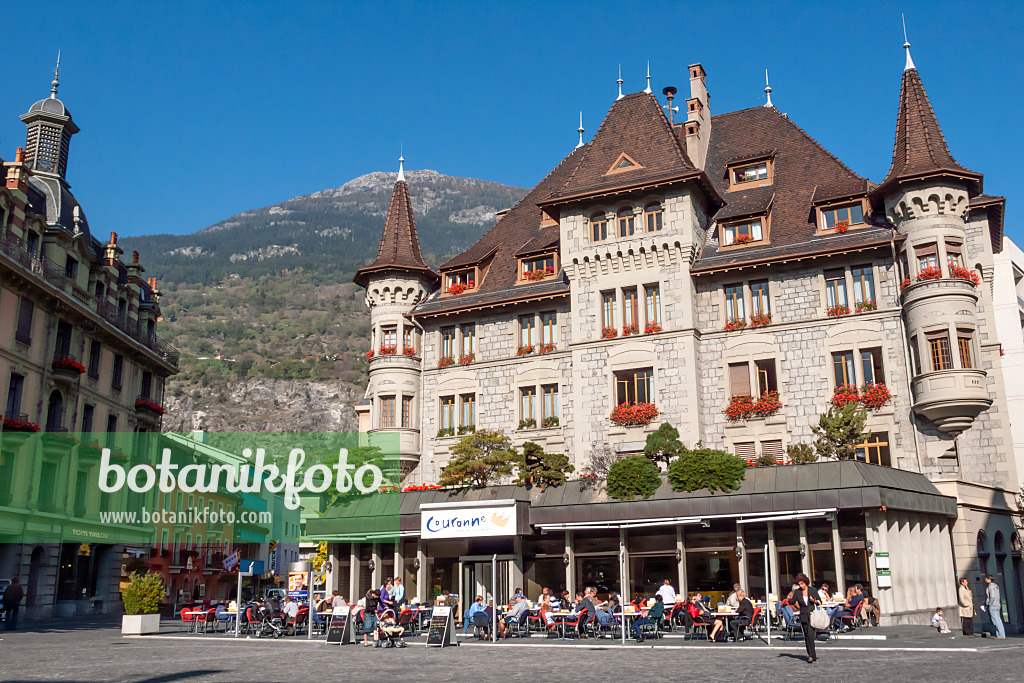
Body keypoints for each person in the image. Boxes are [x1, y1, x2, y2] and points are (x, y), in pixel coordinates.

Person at [792, 573, 819, 663]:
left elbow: (819, 602)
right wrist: (789, 598)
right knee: (807, 636)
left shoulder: (812, 590)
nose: (801, 586)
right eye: (799, 584)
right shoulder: (797, 592)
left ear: (806, 582)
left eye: (802, 584)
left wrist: (813, 600)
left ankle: (812, 654)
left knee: (811, 635)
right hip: (803, 615)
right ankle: (811, 655)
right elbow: (792, 601)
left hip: (812, 614)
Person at [984, 575, 1005, 639]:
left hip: (993, 605)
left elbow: (992, 596)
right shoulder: (996, 586)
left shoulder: (991, 586)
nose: (985, 579)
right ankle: (1001, 634)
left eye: (986, 578)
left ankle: (1000, 635)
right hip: (997, 604)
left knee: (995, 620)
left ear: (989, 579)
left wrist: (989, 603)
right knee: (998, 619)